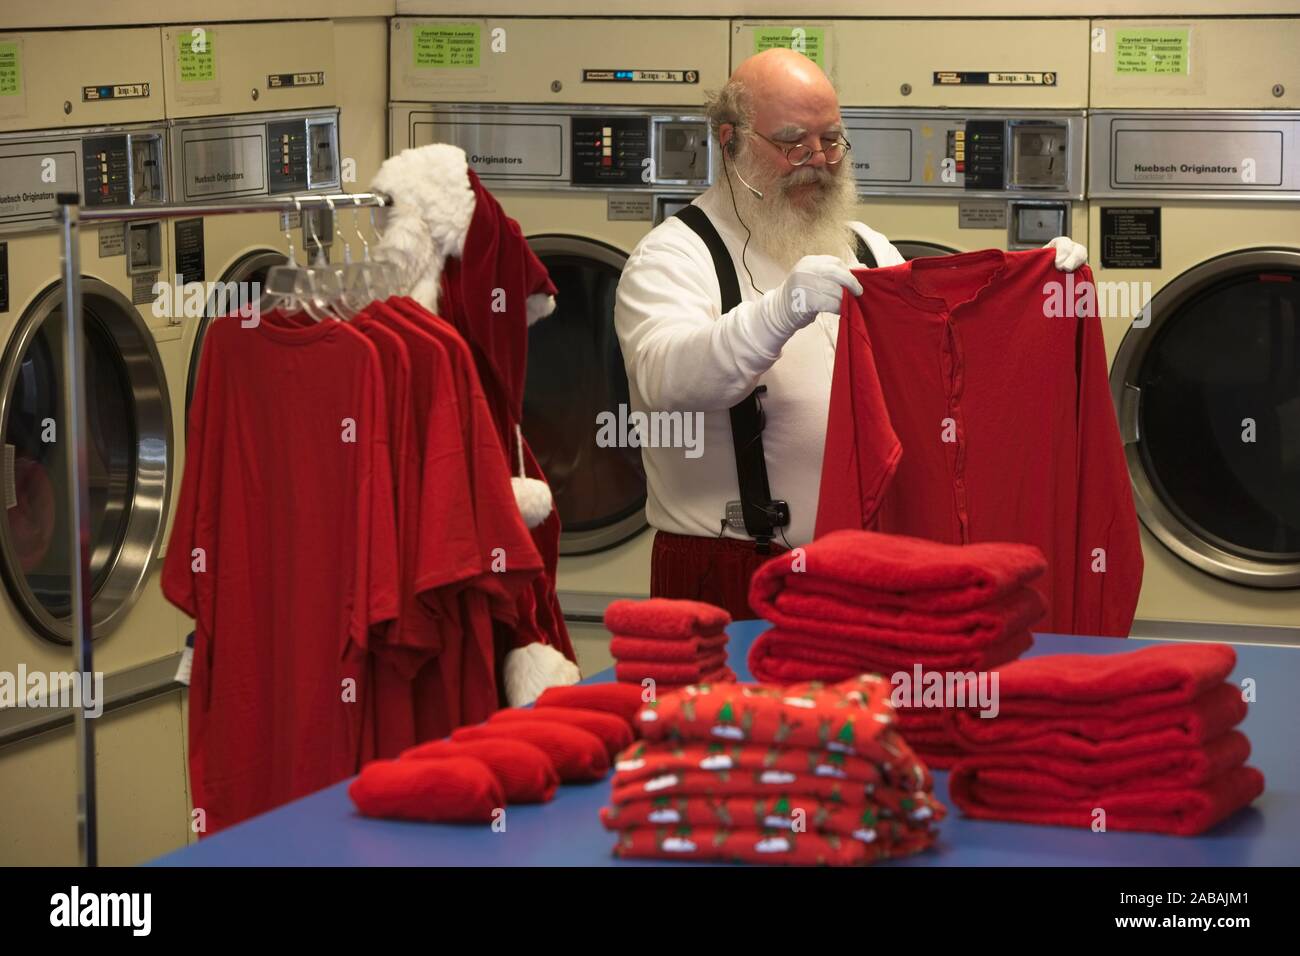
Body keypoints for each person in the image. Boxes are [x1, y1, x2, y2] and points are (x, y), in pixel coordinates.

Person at [613, 48, 1089, 621]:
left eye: (832, 141)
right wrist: (780, 311)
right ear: (729, 141)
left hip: (863, 571)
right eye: (794, 143)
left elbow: (945, 358)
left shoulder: (865, 246)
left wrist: (1033, 286)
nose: (818, 161)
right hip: (731, 572)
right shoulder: (673, 254)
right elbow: (668, 379)